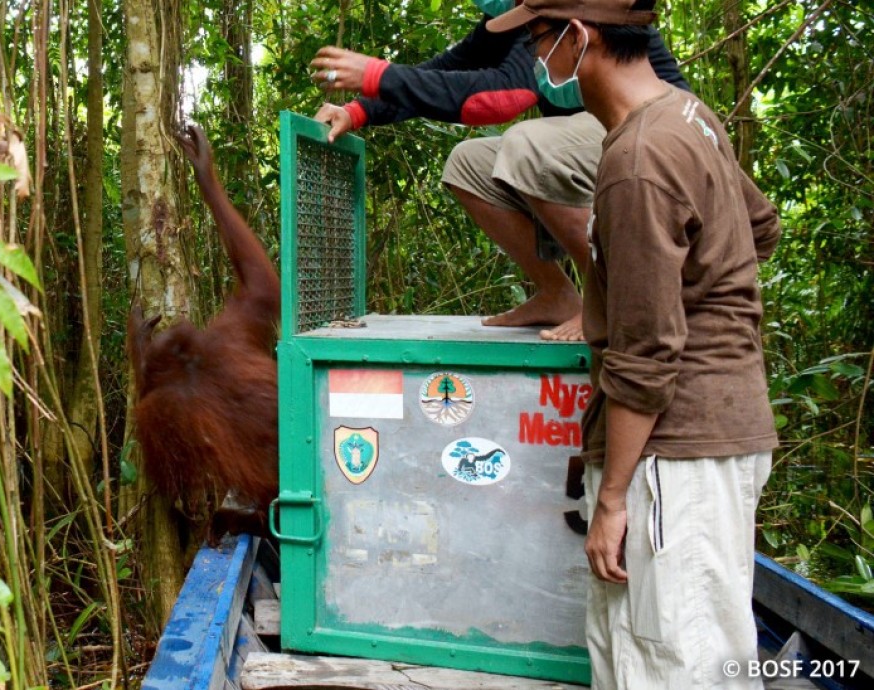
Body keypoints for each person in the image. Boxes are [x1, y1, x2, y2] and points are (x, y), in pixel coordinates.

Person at [486, 0, 781, 686]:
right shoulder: (691, 115)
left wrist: (613, 499)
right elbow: (758, 227)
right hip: (720, 432)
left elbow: (645, 353)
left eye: (537, 39)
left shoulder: (639, 158)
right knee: (652, 645)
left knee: (673, 661)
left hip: (673, 454)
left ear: (579, 37)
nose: (533, 60)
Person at [309, 0, 688, 340]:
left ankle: (605, 301)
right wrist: (359, 110)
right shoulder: (511, 20)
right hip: (594, 140)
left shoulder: (556, 8)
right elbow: (447, 70)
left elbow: (502, 97)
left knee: (529, 144)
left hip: (654, 133)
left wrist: (379, 74)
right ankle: (557, 295)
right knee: (469, 164)